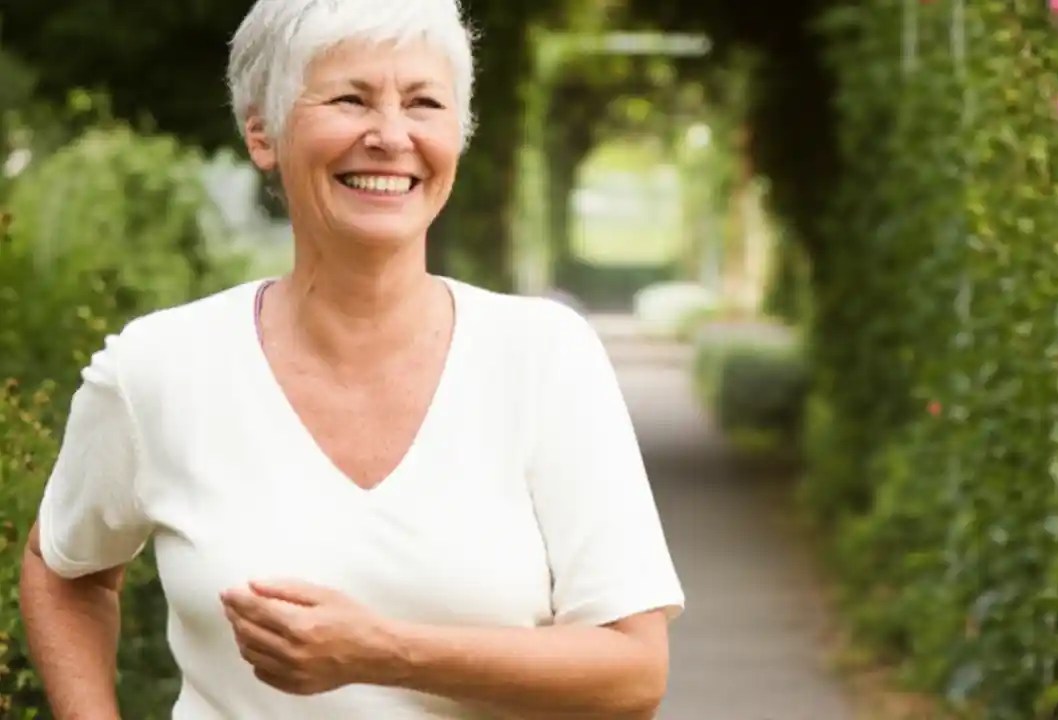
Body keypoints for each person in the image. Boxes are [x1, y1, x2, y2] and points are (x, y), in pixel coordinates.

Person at [17, 0, 685, 717]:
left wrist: (378, 651)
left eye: (424, 103)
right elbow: (63, 572)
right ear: (262, 132)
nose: (391, 136)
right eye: (350, 99)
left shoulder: (546, 360)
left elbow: (633, 673)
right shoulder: (161, 368)